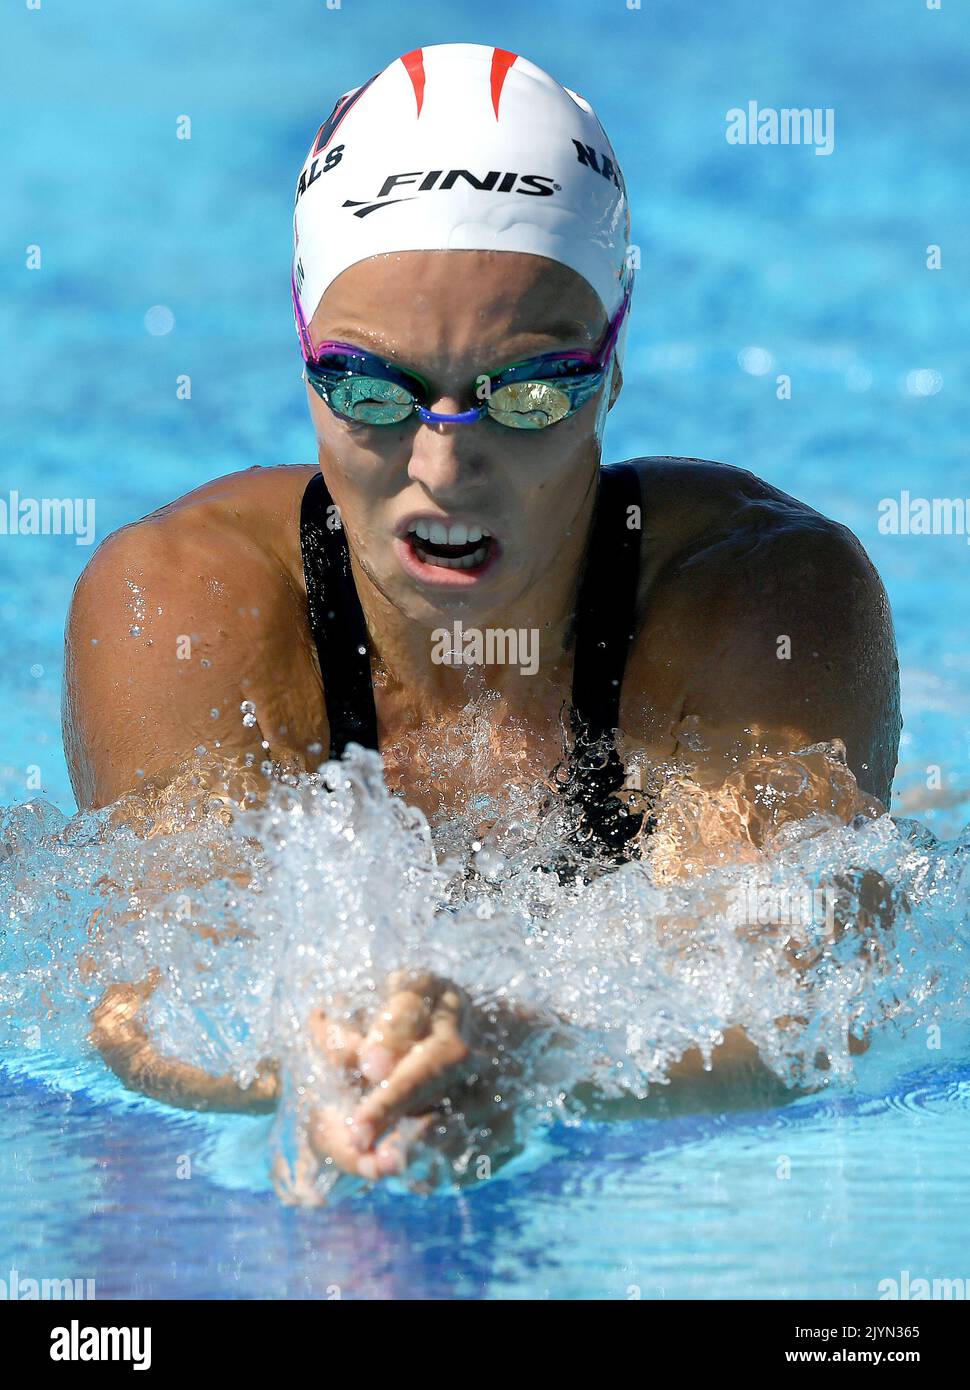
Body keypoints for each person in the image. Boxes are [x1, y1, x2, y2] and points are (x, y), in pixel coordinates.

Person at [65, 43, 901, 1189]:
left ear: (613, 363)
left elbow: (807, 1007)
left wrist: (535, 1053)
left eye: (529, 389)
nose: (443, 465)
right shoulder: (184, 601)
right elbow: (149, 998)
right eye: (367, 386)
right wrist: (321, 1067)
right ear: (300, 343)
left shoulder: (761, 597)